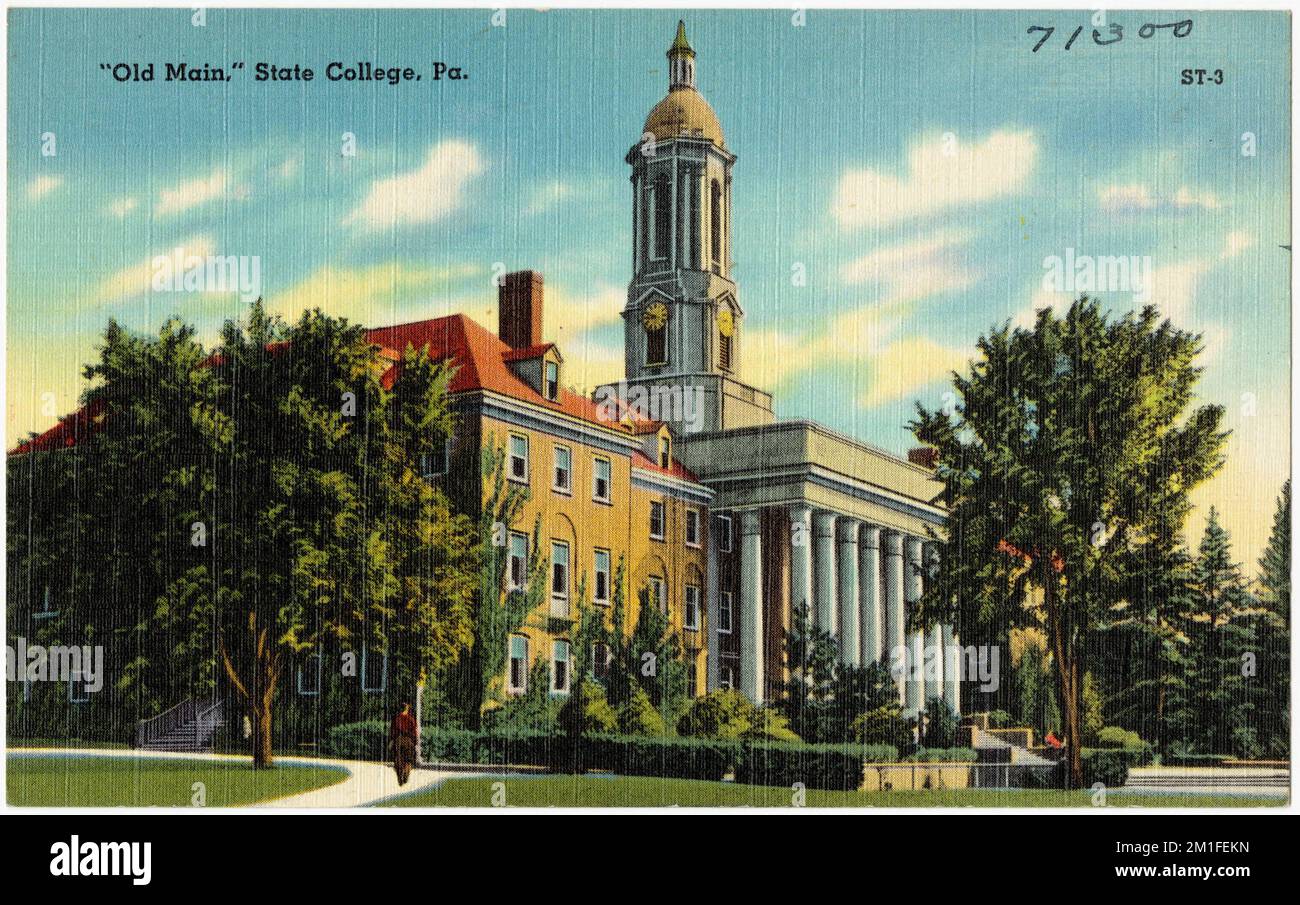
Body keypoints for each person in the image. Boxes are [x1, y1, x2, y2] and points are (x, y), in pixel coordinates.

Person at [389, 702, 418, 785]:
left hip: (398, 739)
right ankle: (406, 773)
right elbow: (414, 732)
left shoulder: (396, 718)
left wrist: (392, 739)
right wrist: (415, 742)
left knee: (396, 757)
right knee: (409, 759)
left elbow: (393, 730)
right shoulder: (411, 719)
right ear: (407, 709)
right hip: (409, 739)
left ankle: (399, 777)